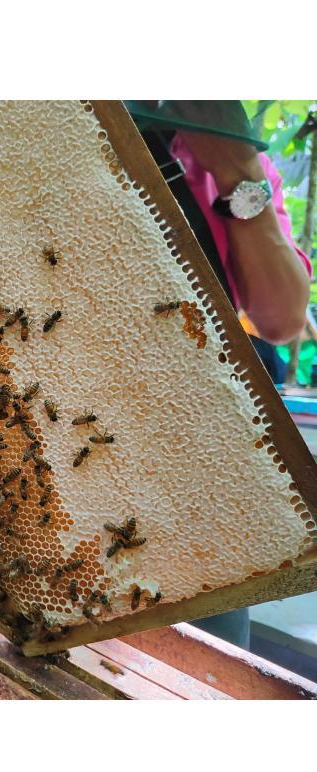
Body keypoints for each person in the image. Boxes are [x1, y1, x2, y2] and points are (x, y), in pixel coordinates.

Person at [141, 113, 313, 648]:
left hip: (204, 469)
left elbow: (282, 318)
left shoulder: (243, 157)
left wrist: (236, 170)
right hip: (78, 444)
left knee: (208, 658)